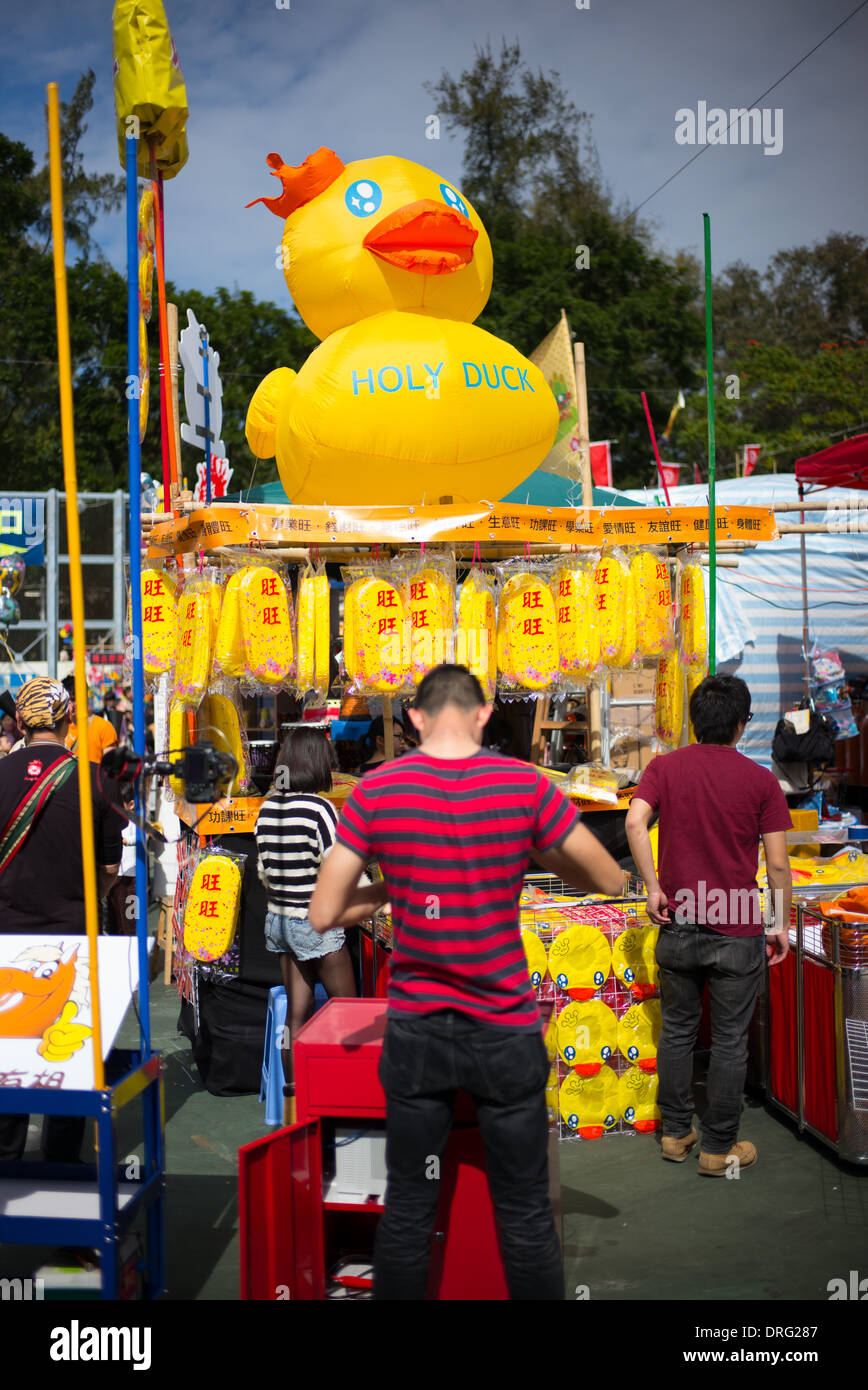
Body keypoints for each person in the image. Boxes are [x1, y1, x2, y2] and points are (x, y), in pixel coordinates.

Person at [310, 664, 624, 1300]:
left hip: (417, 1033)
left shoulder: (377, 789)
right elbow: (612, 881)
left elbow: (322, 912)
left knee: (407, 1211)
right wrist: (531, 846)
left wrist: (387, 887)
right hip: (503, 1032)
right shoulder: (522, 784)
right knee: (526, 1214)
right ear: (483, 715)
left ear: (416, 719)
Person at [625, 674, 792, 1177]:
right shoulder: (760, 780)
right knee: (728, 1041)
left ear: (695, 722)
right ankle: (719, 1148)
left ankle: (676, 1135)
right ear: (742, 725)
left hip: (679, 923)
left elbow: (635, 822)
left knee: (677, 1031)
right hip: (737, 927)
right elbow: (779, 866)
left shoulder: (664, 767)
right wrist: (779, 924)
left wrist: (653, 887)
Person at [0, 677, 123, 1162]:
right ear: (70, 718)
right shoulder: (96, 778)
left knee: (8, 1054)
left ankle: (6, 1161)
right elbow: (112, 866)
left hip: (6, 939)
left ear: (19, 723)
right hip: (72, 942)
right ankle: (62, 1166)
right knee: (66, 1058)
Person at [254, 727, 384, 1103]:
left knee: (297, 1014)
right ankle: (354, 1099)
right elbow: (339, 869)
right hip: (316, 923)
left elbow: (264, 872)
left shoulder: (268, 808)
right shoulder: (319, 809)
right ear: (316, 763)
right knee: (350, 1012)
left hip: (279, 922)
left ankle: (298, 1103)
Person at [61, 675, 118, 766]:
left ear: (85, 698)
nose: (70, 705)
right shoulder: (57, 728)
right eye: (66, 700)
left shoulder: (104, 727)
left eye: (74, 699)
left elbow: (111, 767)